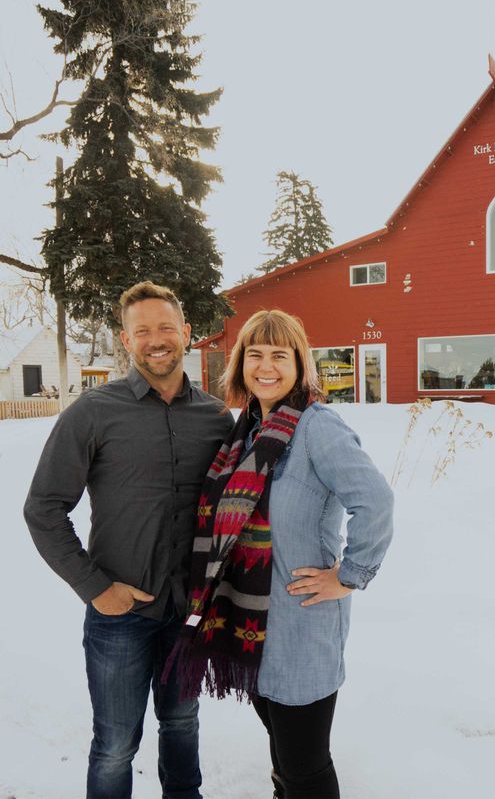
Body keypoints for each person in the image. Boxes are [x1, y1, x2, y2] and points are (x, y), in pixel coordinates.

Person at [169, 309, 393, 799]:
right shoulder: (247, 432)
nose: (266, 367)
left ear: (299, 364)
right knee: (283, 755)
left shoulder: (316, 427)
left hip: (300, 625)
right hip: (251, 625)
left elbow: (375, 501)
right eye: (255, 354)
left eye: (279, 355)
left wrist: (350, 575)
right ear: (240, 364)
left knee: (305, 766)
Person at [24, 281, 234, 799]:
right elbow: (44, 508)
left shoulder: (215, 417)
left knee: (182, 723)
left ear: (186, 332)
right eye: (142, 331)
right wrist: (96, 588)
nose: (156, 339)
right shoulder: (94, 412)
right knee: (115, 745)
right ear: (125, 339)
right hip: (120, 615)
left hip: (188, 611)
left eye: (166, 327)